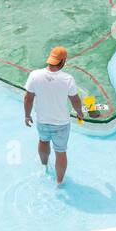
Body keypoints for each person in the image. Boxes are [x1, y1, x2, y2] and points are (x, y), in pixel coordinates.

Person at [23, 46, 84, 187]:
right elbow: (75, 100)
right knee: (60, 152)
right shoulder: (67, 79)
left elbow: (28, 98)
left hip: (42, 120)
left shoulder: (34, 75)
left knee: (43, 141)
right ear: (63, 61)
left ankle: (44, 167)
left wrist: (27, 115)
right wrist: (79, 112)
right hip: (61, 123)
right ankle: (59, 182)